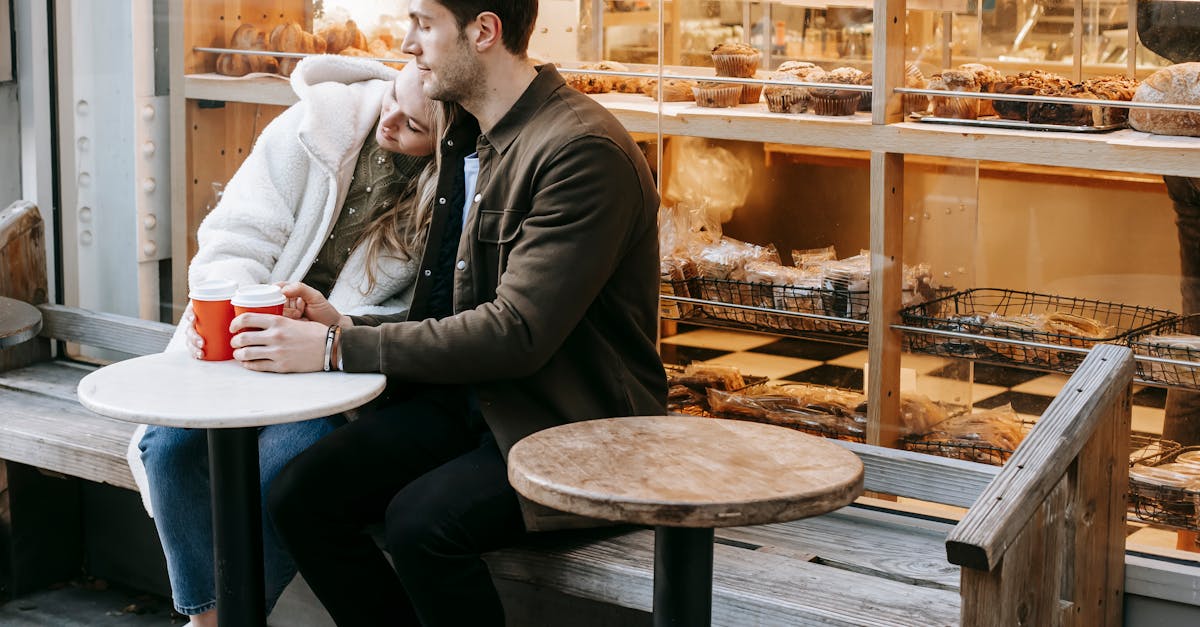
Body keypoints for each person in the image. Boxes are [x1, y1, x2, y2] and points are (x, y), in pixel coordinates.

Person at [224, 0, 667, 623]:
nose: (407, 44)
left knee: (421, 523)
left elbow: (516, 333)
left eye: (424, 25)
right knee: (300, 493)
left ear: (483, 31)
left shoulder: (581, 151)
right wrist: (344, 324)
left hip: (572, 427)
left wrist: (333, 352)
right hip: (475, 403)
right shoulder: (471, 135)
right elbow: (447, 308)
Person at [131, 55, 450, 626]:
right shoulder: (314, 126)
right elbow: (234, 237)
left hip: (336, 372)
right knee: (168, 448)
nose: (390, 121)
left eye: (414, 126)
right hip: (247, 343)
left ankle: (226, 619)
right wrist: (229, 314)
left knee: (285, 462)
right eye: (392, 97)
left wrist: (325, 340)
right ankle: (212, 618)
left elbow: (419, 317)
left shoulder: (454, 189)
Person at [1137, 0, 1200, 446]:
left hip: (1184, 115)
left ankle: (1178, 481)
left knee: (1196, 326)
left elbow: (1153, 24)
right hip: (1186, 116)